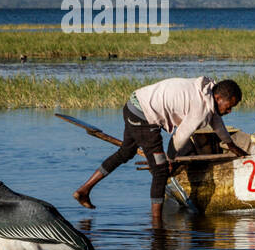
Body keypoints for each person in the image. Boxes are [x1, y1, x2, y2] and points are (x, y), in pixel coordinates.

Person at [73, 77, 246, 226]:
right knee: (161, 171)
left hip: (134, 106)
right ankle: (157, 224)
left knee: (125, 153)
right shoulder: (200, 109)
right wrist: (170, 159)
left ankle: (84, 190)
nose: (229, 111)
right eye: (229, 106)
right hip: (143, 116)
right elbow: (179, 137)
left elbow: (216, 121)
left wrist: (230, 145)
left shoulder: (206, 93)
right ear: (217, 98)